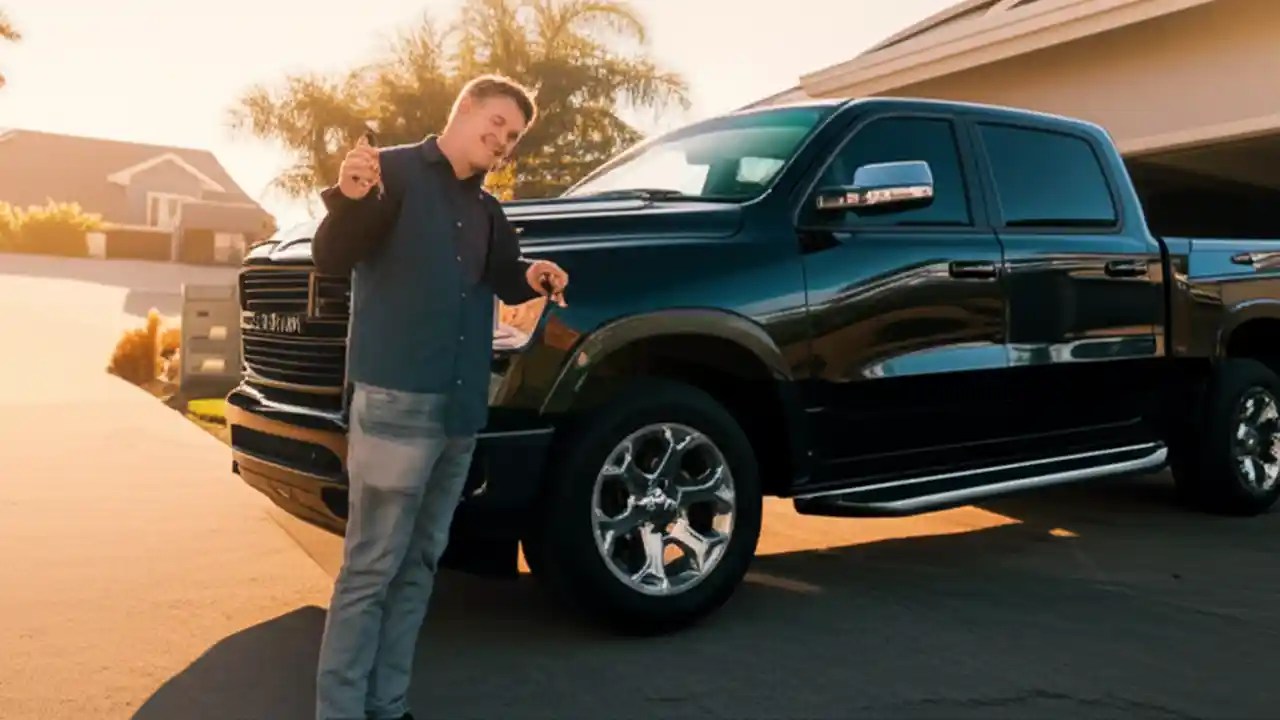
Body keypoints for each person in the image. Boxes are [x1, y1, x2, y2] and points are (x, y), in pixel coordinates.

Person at [310, 74, 569, 720]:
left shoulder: (486, 210)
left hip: (459, 413)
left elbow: (504, 276)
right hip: (395, 403)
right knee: (371, 568)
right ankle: (340, 712)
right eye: (498, 124)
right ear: (466, 110)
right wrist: (348, 194)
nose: (503, 140)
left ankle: (387, 706)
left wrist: (533, 274)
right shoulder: (388, 172)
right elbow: (333, 254)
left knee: (421, 564)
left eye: (513, 136)